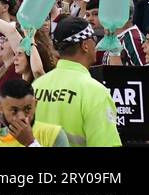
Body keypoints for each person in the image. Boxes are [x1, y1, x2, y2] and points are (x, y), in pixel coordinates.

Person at [31, 17, 121, 146]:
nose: (96, 45)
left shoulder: (36, 85)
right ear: (85, 45)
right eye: (94, 40)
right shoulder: (95, 92)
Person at [0, 78, 70, 147]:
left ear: (35, 104)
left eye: (27, 109)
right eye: (14, 111)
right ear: (1, 108)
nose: (22, 117)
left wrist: (31, 143)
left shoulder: (53, 134)